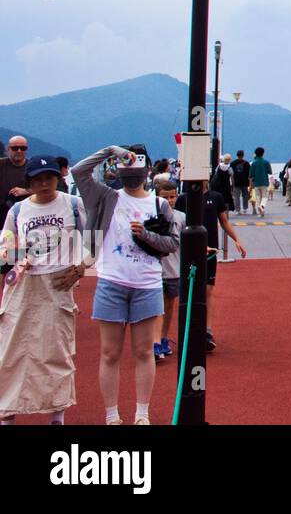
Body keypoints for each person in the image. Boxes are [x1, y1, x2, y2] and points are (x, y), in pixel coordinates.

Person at [69, 144, 179, 425]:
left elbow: (172, 243)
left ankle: (142, 414)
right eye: (126, 165)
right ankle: (111, 415)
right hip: (112, 283)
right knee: (109, 353)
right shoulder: (105, 197)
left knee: (144, 352)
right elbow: (78, 171)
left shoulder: (159, 204)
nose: (132, 172)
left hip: (147, 284)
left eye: (137, 166)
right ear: (118, 170)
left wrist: (146, 237)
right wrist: (109, 151)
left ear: (148, 171)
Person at [0, 156, 85, 424]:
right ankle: (7, 412)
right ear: (29, 182)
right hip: (24, 284)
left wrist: (81, 267)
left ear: (58, 178)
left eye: (48, 177)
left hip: (57, 283)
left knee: (56, 350)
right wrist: (16, 256)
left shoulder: (72, 205)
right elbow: (5, 248)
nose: (44, 183)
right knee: (12, 349)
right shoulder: (17, 211)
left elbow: (94, 239)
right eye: (37, 179)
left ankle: (57, 413)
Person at [174, 177, 247, 353]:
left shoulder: (216, 197)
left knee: (207, 290)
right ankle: (188, 330)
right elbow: (175, 223)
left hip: (210, 250)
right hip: (188, 250)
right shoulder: (184, 198)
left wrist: (237, 239)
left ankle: (207, 331)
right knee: (187, 289)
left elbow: (223, 221)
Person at [152, 175, 181, 361]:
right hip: (154, 270)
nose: (169, 200)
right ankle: (154, 341)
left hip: (173, 269)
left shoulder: (181, 217)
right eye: (165, 197)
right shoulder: (152, 215)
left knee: (169, 305)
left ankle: (162, 338)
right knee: (156, 306)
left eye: (173, 196)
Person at [0, 136, 31, 278]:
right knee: (4, 264)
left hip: (26, 223)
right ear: (7, 149)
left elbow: (53, 189)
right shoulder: (2, 165)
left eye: (23, 148)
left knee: (25, 266)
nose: (19, 151)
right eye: (14, 148)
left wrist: (27, 191)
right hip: (3, 220)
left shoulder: (32, 169)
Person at [249, 147, 272, 217]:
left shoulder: (253, 163)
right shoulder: (266, 162)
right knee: (264, 197)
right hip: (264, 182)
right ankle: (262, 206)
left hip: (256, 182)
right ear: (263, 153)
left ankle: (260, 211)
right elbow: (270, 172)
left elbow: (251, 175)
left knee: (258, 197)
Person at [230, 150, 251, 215]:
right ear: (243, 155)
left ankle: (237, 210)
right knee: (245, 195)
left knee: (236, 196)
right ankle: (245, 209)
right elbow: (249, 173)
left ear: (237, 155)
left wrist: (232, 181)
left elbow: (231, 173)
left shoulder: (233, 163)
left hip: (236, 181)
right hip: (245, 181)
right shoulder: (247, 163)